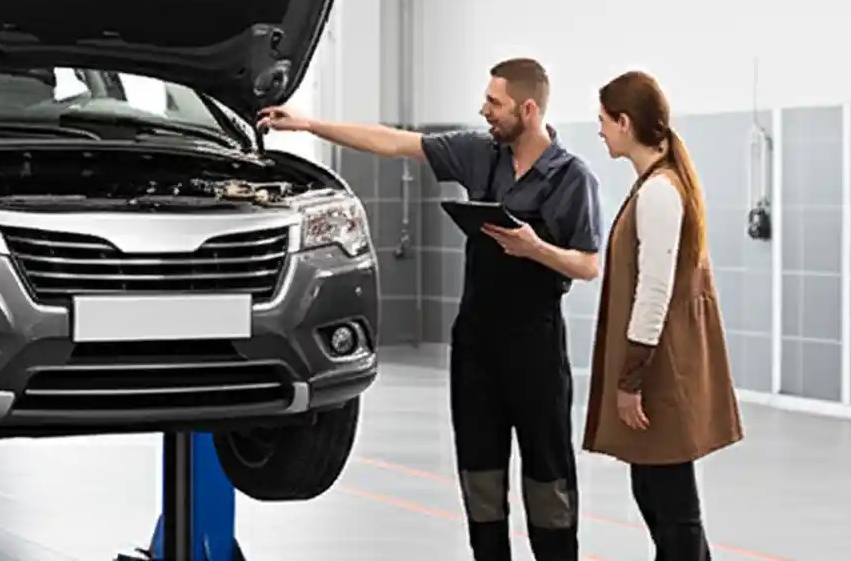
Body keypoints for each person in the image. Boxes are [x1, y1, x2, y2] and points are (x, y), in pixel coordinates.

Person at [258, 58, 603, 561]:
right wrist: (310, 124)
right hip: (475, 344)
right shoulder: (479, 154)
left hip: (535, 346)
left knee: (547, 475)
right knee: (480, 472)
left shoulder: (572, 178)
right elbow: (393, 141)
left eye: (494, 102)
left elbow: (588, 265)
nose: (483, 110)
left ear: (528, 110)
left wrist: (536, 249)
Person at [584, 70, 744, 560]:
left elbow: (654, 290)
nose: (601, 130)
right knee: (657, 496)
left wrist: (630, 380)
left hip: (657, 372)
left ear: (625, 122)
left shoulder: (658, 192)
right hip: (657, 366)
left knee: (673, 507)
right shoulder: (657, 184)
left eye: (604, 120)